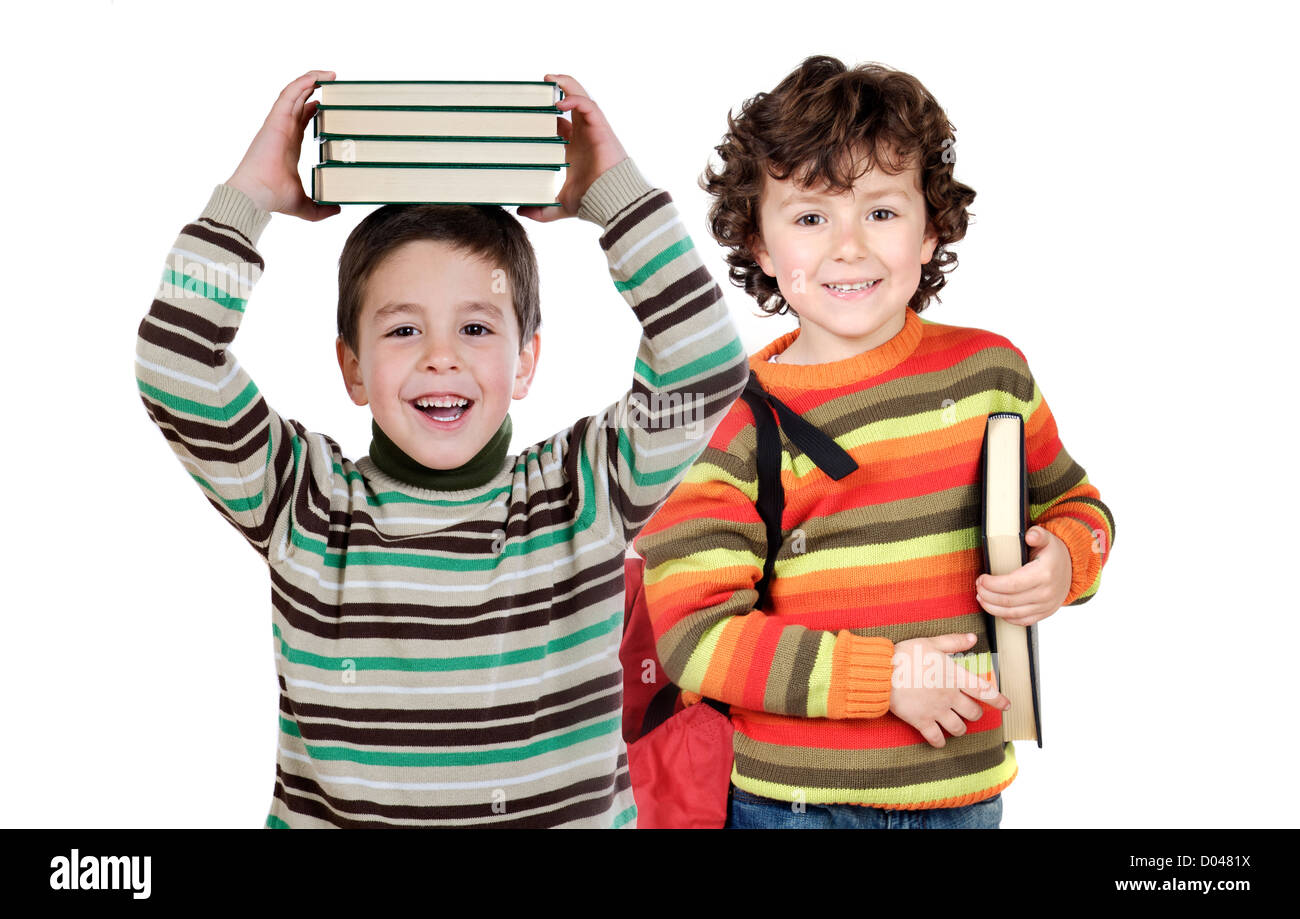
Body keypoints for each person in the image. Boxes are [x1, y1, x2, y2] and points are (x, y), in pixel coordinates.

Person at [135, 70, 748, 828]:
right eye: (402, 329)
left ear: (525, 362)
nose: (440, 357)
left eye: (477, 327)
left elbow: (707, 364)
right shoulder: (305, 501)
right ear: (352, 367)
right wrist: (249, 195)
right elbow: (175, 364)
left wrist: (613, 195)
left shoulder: (585, 490)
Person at [634, 56, 1116, 829]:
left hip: (962, 795)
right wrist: (882, 677)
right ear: (759, 246)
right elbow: (695, 634)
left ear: (930, 230)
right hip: (790, 803)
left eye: (882, 213)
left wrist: (1064, 562)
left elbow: (1077, 505)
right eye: (810, 217)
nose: (849, 247)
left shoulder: (990, 372)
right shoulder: (728, 416)